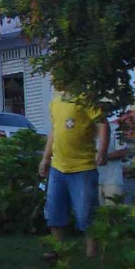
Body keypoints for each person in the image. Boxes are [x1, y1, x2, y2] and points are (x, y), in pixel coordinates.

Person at [38, 94, 110, 258]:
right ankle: (58, 250)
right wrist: (45, 158)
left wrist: (102, 150)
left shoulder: (87, 100)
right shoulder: (55, 103)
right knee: (54, 213)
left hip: (82, 167)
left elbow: (103, 124)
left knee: (86, 214)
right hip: (58, 167)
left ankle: (91, 253)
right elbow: (55, 132)